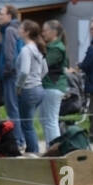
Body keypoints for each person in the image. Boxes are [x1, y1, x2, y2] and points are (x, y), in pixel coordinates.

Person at [16, 19, 46, 155]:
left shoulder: (26, 50)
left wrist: (18, 86)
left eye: (21, 28)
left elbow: (24, 71)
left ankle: (33, 151)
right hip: (39, 88)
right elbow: (45, 69)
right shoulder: (38, 48)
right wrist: (37, 79)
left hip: (28, 90)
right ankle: (33, 150)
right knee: (29, 123)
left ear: (26, 32)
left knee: (26, 125)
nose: (18, 30)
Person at [0, 5, 24, 151]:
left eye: (1, 14)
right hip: (16, 75)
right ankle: (20, 139)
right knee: (16, 109)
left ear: (10, 16)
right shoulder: (17, 29)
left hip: (10, 76)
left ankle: (18, 141)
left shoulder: (9, 30)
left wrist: (6, 71)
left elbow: (9, 54)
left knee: (12, 109)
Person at [40, 20, 69, 148]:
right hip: (51, 87)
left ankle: (55, 149)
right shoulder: (55, 46)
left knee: (51, 121)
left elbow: (44, 65)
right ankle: (50, 148)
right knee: (47, 120)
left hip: (53, 86)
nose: (43, 33)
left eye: (45, 30)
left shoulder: (56, 48)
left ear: (54, 32)